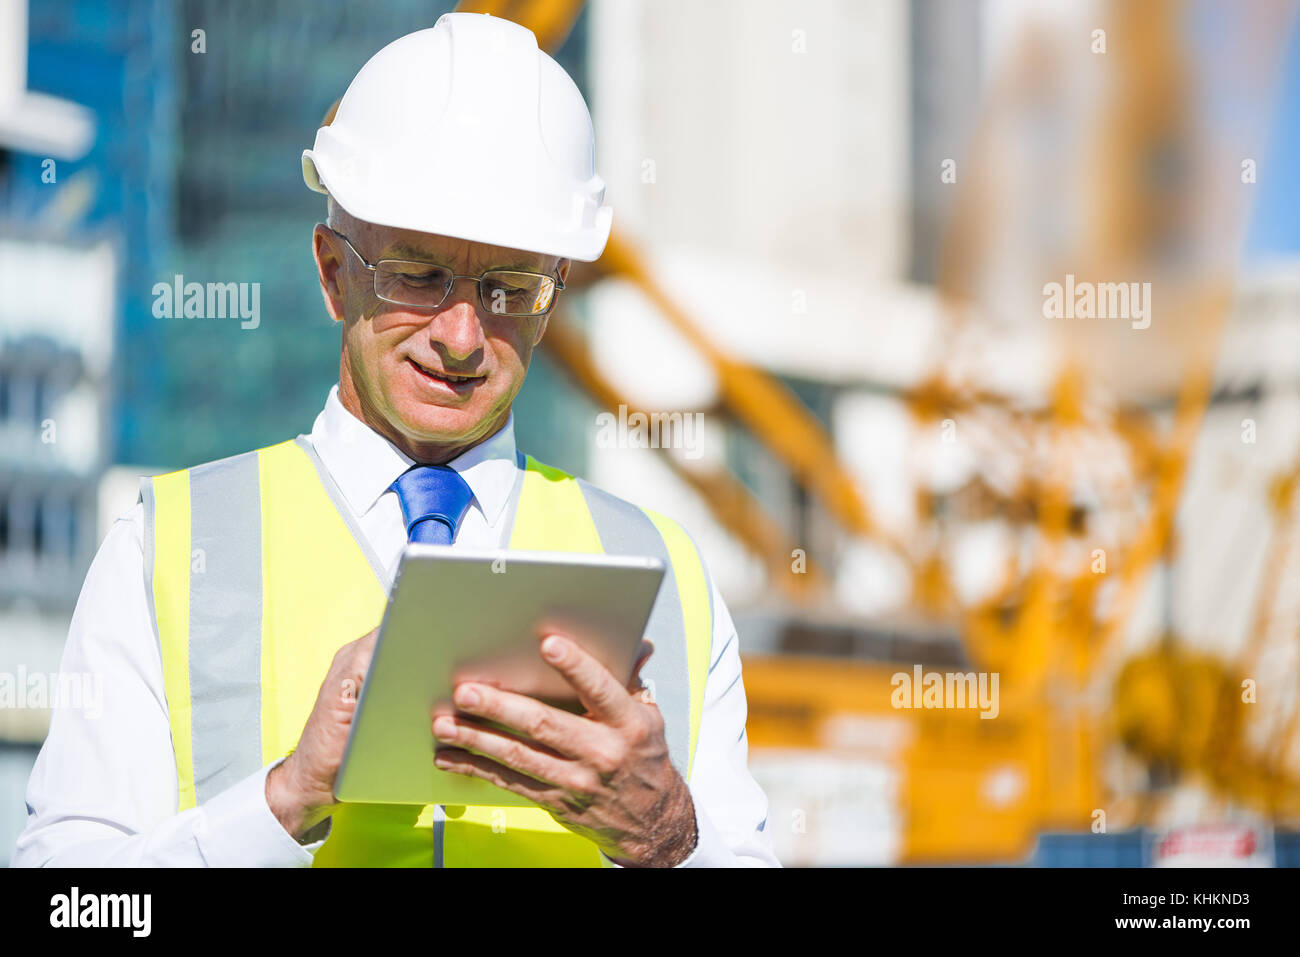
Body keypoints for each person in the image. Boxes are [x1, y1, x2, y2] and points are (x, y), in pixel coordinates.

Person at [13, 12, 778, 867]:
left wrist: (668, 835)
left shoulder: (668, 576)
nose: (460, 334)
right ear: (334, 272)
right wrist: (282, 800)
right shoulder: (167, 547)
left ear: (553, 296)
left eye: (508, 287)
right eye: (416, 275)